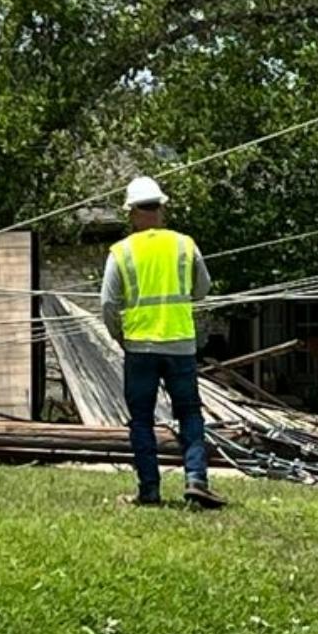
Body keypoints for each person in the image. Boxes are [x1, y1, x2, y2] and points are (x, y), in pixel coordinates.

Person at [101, 177, 227, 509]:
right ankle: (196, 480)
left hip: (139, 347)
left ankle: (149, 490)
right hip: (180, 345)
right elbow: (202, 289)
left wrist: (120, 336)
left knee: (141, 419)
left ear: (130, 213)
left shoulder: (122, 252)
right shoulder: (185, 245)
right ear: (162, 208)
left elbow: (108, 304)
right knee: (190, 414)